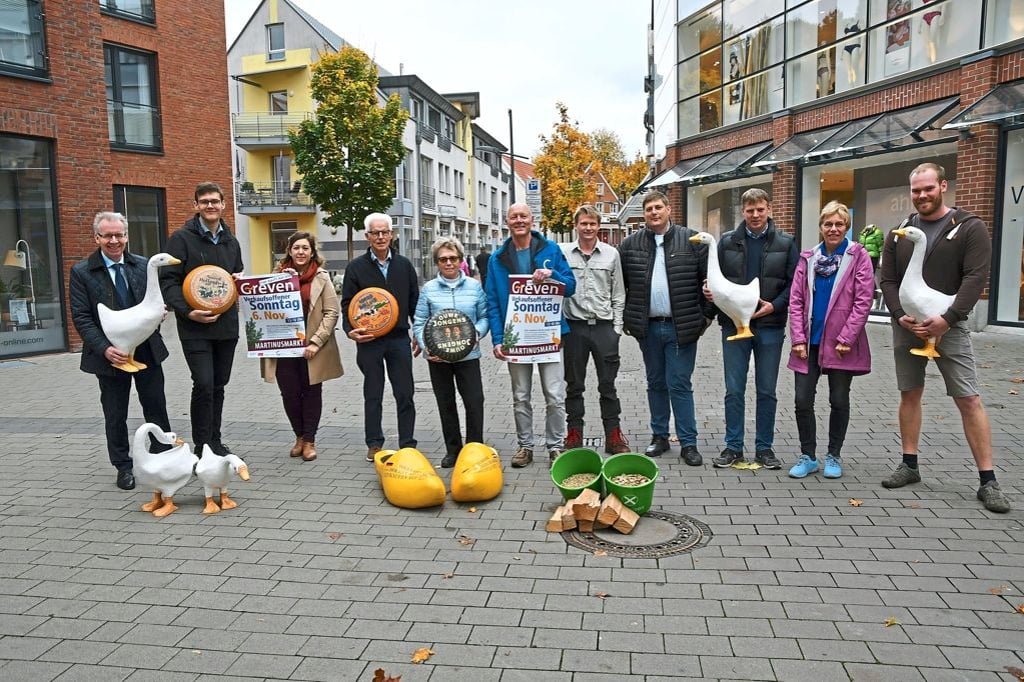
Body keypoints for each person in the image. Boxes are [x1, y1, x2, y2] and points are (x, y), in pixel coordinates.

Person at [879, 162, 1010, 513]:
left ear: (943, 186)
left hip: (948, 327)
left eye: (928, 188)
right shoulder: (901, 231)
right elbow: (888, 279)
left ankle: (988, 480)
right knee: (910, 393)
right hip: (907, 325)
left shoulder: (969, 227)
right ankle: (909, 464)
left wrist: (948, 320)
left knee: (968, 398)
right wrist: (899, 316)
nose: (921, 195)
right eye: (916, 190)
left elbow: (975, 278)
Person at [70, 212, 173, 490]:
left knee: (156, 407)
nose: (114, 240)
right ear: (97, 238)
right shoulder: (81, 272)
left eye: (119, 235)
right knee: (115, 413)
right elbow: (81, 317)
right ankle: (123, 466)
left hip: (147, 351)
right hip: (110, 357)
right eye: (107, 236)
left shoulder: (141, 265)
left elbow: (155, 301)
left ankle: (164, 459)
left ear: (126, 236)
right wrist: (105, 349)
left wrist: (159, 313)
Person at [707, 188, 798, 471]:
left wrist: (776, 306)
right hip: (733, 325)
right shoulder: (726, 243)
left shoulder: (786, 242)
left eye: (760, 209)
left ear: (769, 209)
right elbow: (714, 278)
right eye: (750, 210)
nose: (755, 215)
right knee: (733, 389)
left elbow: (795, 284)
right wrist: (710, 293)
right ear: (742, 212)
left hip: (770, 326)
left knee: (767, 390)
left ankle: (764, 448)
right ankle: (733, 446)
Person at [619, 190, 712, 465]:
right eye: (649, 209)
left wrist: (704, 318)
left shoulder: (693, 240)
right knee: (656, 383)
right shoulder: (630, 245)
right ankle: (659, 436)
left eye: (658, 207)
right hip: (648, 329)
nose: (654, 212)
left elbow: (710, 281)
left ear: (669, 209)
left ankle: (689, 443)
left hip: (681, 327)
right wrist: (629, 319)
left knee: (679, 383)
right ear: (644, 214)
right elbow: (619, 285)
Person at [485, 202, 576, 467]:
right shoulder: (497, 258)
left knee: (555, 395)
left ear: (532, 219)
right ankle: (525, 446)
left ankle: (555, 446)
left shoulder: (551, 249)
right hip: (516, 338)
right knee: (521, 396)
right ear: (507, 221)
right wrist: (498, 339)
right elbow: (492, 300)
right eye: (514, 217)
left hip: (549, 335)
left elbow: (570, 286)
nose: (519, 220)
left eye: (523, 216)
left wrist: (552, 274)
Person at [787, 201, 874, 480]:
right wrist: (798, 338)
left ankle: (833, 455)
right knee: (802, 400)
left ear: (846, 226)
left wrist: (848, 336)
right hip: (809, 342)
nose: (833, 229)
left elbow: (863, 300)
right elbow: (796, 300)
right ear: (821, 227)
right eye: (828, 224)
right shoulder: (808, 257)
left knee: (838, 399)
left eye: (839, 224)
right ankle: (808, 456)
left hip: (841, 343)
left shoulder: (857, 255)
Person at [160, 182, 244, 457]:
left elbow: (237, 275)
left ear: (223, 205)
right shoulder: (181, 239)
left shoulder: (232, 241)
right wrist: (187, 311)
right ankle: (201, 444)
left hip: (226, 325)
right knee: (204, 383)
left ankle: (215, 440)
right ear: (196, 205)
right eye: (204, 201)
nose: (210, 206)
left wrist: (240, 281)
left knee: (219, 384)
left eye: (215, 201)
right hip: (195, 325)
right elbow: (168, 281)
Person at [341, 213, 419, 462]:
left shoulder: (404, 265)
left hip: (398, 339)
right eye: (375, 233)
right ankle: (374, 443)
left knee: (405, 392)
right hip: (369, 341)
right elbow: (347, 306)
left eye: (385, 232)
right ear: (368, 236)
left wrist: (419, 332)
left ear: (392, 234)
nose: (381, 236)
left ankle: (407, 442)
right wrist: (349, 331)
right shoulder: (356, 267)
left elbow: (415, 302)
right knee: (373, 393)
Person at [261, 232, 343, 462]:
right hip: (284, 347)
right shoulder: (276, 277)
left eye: (305, 248)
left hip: (312, 347)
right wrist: (283, 282)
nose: (300, 252)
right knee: (289, 394)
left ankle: (309, 441)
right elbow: (261, 307)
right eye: (296, 247)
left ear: (312, 252)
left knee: (311, 393)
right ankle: (298, 436)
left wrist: (316, 342)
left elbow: (331, 312)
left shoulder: (322, 277)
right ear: (289, 250)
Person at [413, 237, 489, 468]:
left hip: (468, 356)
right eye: (443, 259)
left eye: (453, 258)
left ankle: (474, 449)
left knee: (474, 401)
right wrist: (427, 348)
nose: (448, 263)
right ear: (437, 262)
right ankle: (453, 450)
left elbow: (484, 317)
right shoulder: (428, 289)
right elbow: (419, 321)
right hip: (439, 359)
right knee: (446, 403)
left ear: (460, 260)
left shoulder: (475, 287)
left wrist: (475, 334)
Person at [560, 205, 629, 455]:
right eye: (583, 223)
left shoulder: (611, 254)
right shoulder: (563, 253)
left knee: (608, 385)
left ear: (598, 226)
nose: (588, 228)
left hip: (603, 328)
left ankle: (614, 436)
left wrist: (617, 328)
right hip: (574, 329)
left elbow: (618, 293)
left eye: (592, 223)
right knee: (574, 384)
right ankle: (574, 434)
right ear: (576, 225)